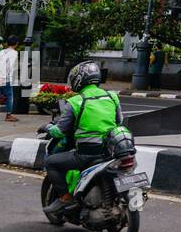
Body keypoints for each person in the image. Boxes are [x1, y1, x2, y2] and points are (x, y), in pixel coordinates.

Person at [42, 61, 124, 215]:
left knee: (50, 162)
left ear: (79, 79)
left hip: (87, 153)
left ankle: (65, 197)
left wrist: (47, 128)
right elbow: (119, 121)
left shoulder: (75, 101)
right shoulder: (112, 96)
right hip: (109, 151)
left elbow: (60, 131)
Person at [0, 36, 20, 123]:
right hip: (5, 78)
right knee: (10, 97)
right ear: (16, 44)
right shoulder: (14, 53)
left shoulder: (2, 51)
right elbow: (9, 66)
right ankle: (8, 115)